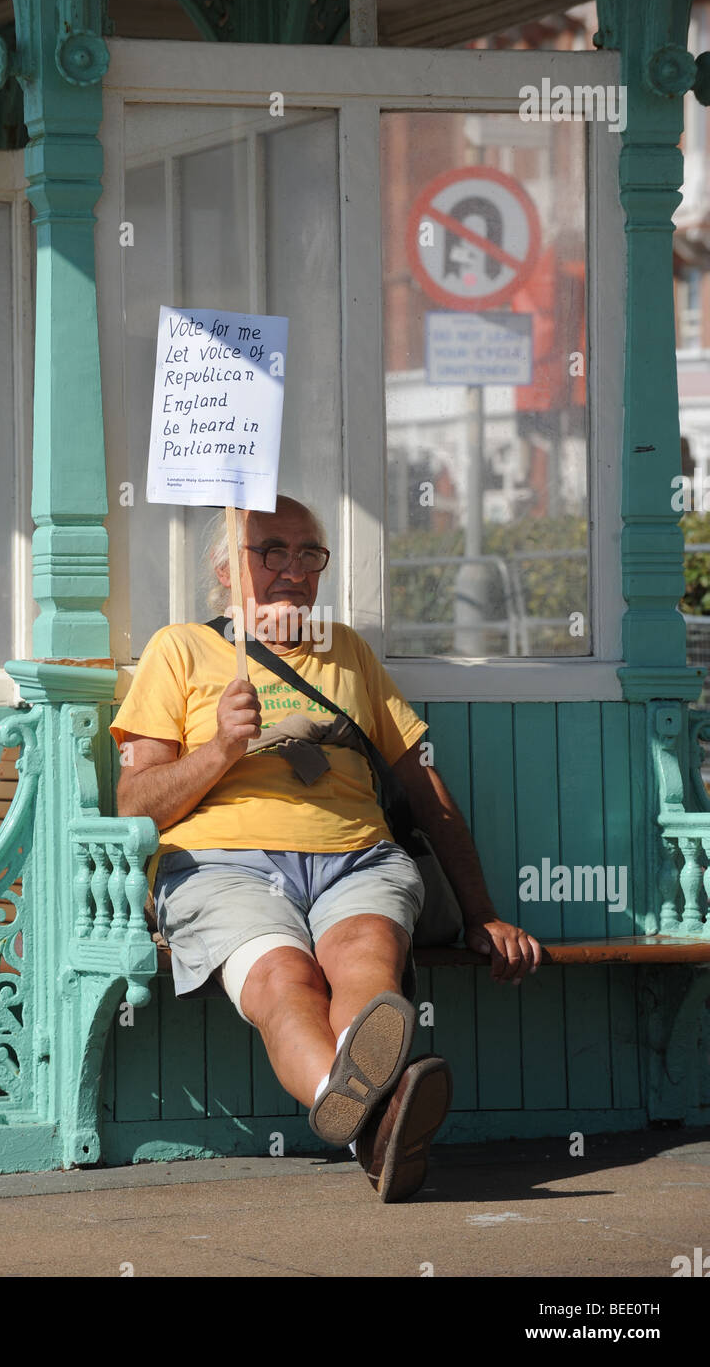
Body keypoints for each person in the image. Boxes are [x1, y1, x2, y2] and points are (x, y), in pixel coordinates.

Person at [110, 494, 541, 1202]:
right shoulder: (180, 649)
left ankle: (367, 1121)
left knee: (366, 968)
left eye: (308, 552)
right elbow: (136, 804)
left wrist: (481, 913)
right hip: (221, 869)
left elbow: (427, 789)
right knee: (287, 986)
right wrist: (221, 746)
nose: (292, 569)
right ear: (227, 568)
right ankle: (375, 1125)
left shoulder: (348, 653)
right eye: (269, 552)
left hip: (356, 860)